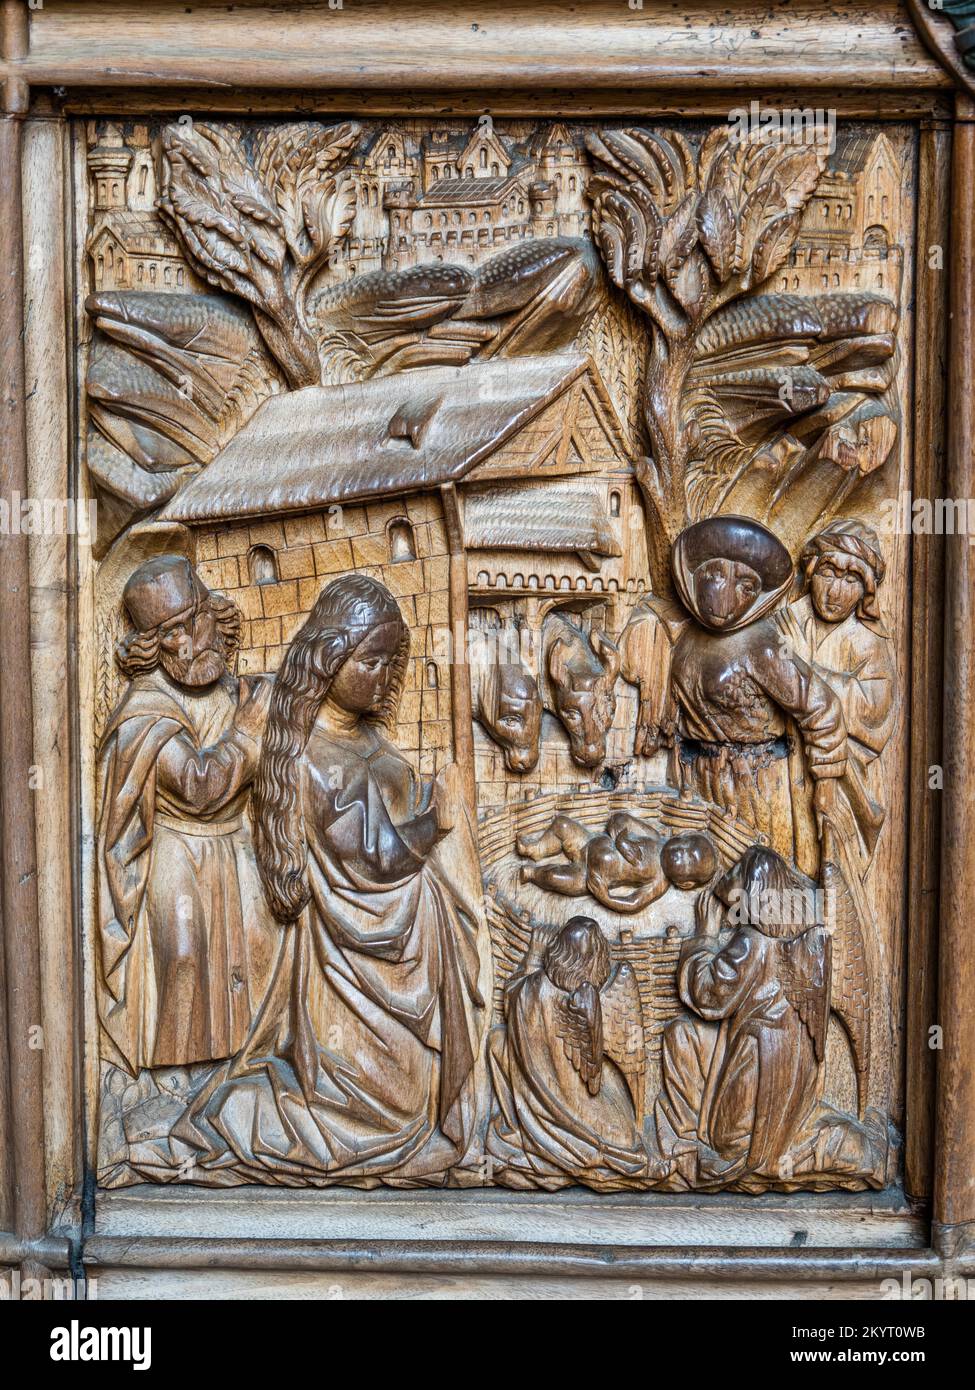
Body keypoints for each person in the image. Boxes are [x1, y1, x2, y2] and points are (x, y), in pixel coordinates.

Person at [175, 574, 485, 1186]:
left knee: (413, 1087)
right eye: (369, 661)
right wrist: (437, 821)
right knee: (391, 1105)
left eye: (390, 662)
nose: (384, 677)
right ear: (329, 657)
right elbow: (369, 861)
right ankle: (259, 1116)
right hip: (357, 960)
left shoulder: (363, 733)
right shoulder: (311, 757)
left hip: (401, 948)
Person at [97, 554, 276, 1074]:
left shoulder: (229, 686)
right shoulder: (144, 711)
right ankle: (171, 1076)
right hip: (175, 849)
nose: (191, 640)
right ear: (150, 647)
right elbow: (200, 785)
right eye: (171, 632)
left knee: (254, 951)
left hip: (236, 844)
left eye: (195, 619)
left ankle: (241, 1066)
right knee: (183, 957)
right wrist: (247, 732)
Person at [655, 847, 883, 1187]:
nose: (727, 884)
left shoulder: (753, 941)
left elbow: (707, 995)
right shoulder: (806, 938)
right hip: (790, 1061)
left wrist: (703, 936)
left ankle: (844, 1148)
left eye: (736, 878)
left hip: (760, 1061)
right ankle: (694, 1134)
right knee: (682, 1035)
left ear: (751, 892)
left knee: (731, 1143)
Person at [665, 516, 849, 878]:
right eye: (715, 575)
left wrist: (826, 783)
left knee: (761, 886)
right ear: (693, 579)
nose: (726, 594)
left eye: (745, 584)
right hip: (698, 781)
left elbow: (822, 709)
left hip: (755, 787)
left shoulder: (762, 647)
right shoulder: (683, 642)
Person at [487, 916, 650, 1190]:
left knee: (497, 1040)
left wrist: (531, 955)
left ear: (557, 950)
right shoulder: (588, 998)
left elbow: (510, 996)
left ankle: (538, 1128)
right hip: (595, 1113)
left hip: (550, 1107)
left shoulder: (533, 987)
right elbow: (596, 1071)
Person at [775, 518, 895, 868]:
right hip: (782, 767)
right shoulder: (786, 622)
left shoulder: (869, 642)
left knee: (829, 870)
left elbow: (873, 709)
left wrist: (802, 670)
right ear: (810, 573)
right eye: (828, 574)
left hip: (842, 776)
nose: (835, 592)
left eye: (850, 580)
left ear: (867, 591)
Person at [517, 813, 717, 913]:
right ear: (680, 836)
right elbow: (620, 819)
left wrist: (605, 896)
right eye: (685, 845)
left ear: (685, 883)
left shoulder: (659, 882)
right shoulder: (654, 837)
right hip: (587, 843)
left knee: (554, 877)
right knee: (561, 824)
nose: (681, 854)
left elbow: (633, 903)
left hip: (591, 876)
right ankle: (536, 849)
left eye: (689, 861)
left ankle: (532, 874)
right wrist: (622, 839)